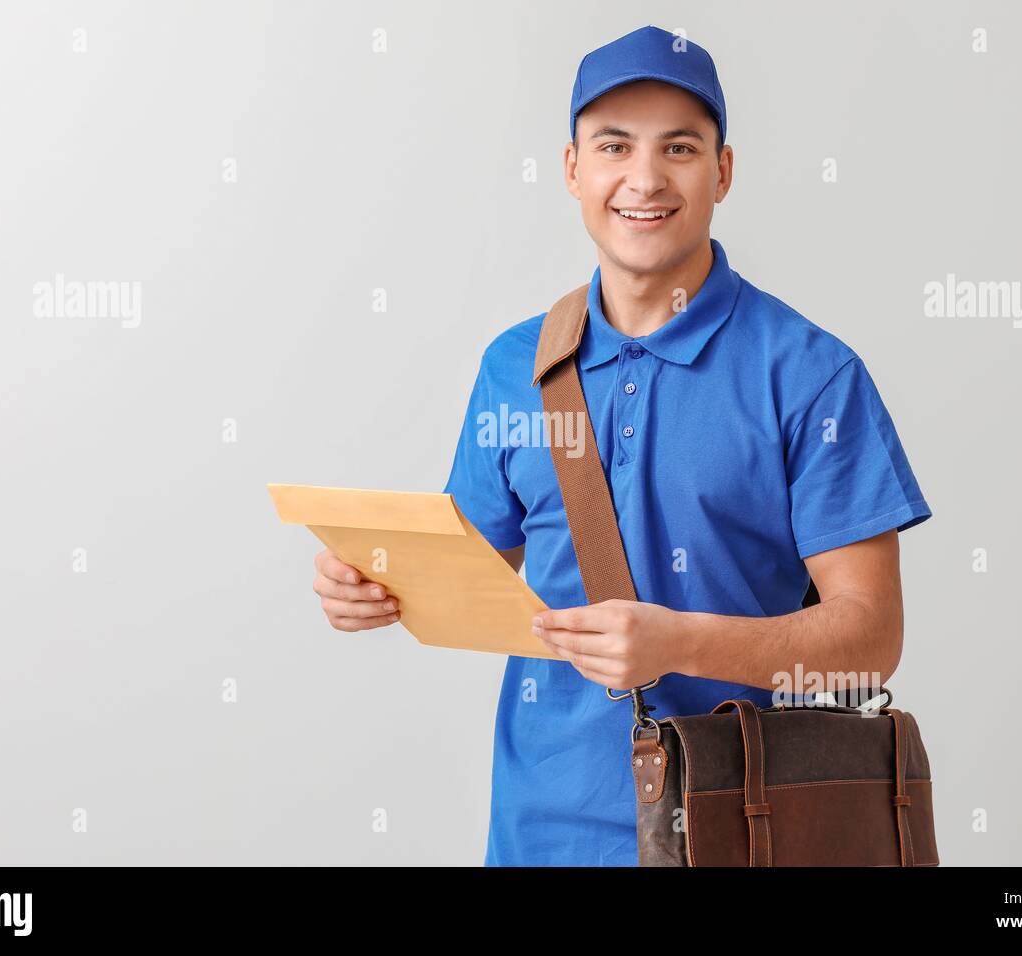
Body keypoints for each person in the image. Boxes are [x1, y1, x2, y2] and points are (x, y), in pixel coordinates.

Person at [312, 24, 932, 866]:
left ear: (722, 172)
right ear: (573, 169)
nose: (644, 179)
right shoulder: (515, 367)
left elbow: (869, 636)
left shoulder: (812, 376)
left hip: (742, 829)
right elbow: (473, 574)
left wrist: (678, 642)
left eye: (679, 148)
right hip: (541, 833)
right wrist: (373, 585)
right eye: (614, 146)